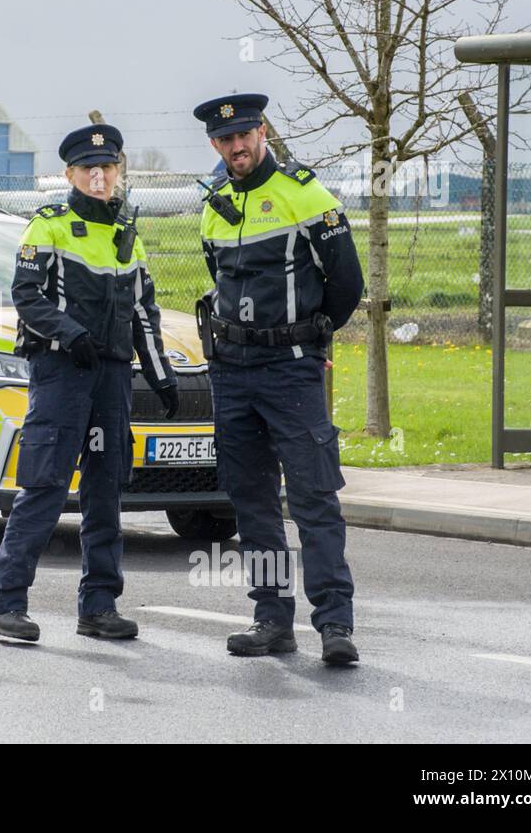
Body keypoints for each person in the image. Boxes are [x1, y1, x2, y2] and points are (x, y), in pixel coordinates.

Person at [0, 123, 178, 642]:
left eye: (108, 168)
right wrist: (72, 336)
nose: (99, 176)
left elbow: (144, 312)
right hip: (62, 373)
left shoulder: (126, 238)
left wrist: (161, 378)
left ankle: (99, 606)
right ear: (70, 174)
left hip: (111, 377)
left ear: (119, 173)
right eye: (89, 169)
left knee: (105, 489)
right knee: (45, 484)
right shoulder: (47, 225)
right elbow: (27, 296)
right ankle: (5, 602)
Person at [192, 93, 365, 665]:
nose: (236, 146)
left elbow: (346, 283)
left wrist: (311, 339)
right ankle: (272, 619)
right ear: (215, 146)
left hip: (290, 370)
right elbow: (220, 277)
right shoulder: (213, 205)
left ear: (261, 132)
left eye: (244, 135)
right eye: (225, 140)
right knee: (253, 501)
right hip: (232, 370)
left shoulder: (306, 194)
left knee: (314, 496)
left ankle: (335, 624)